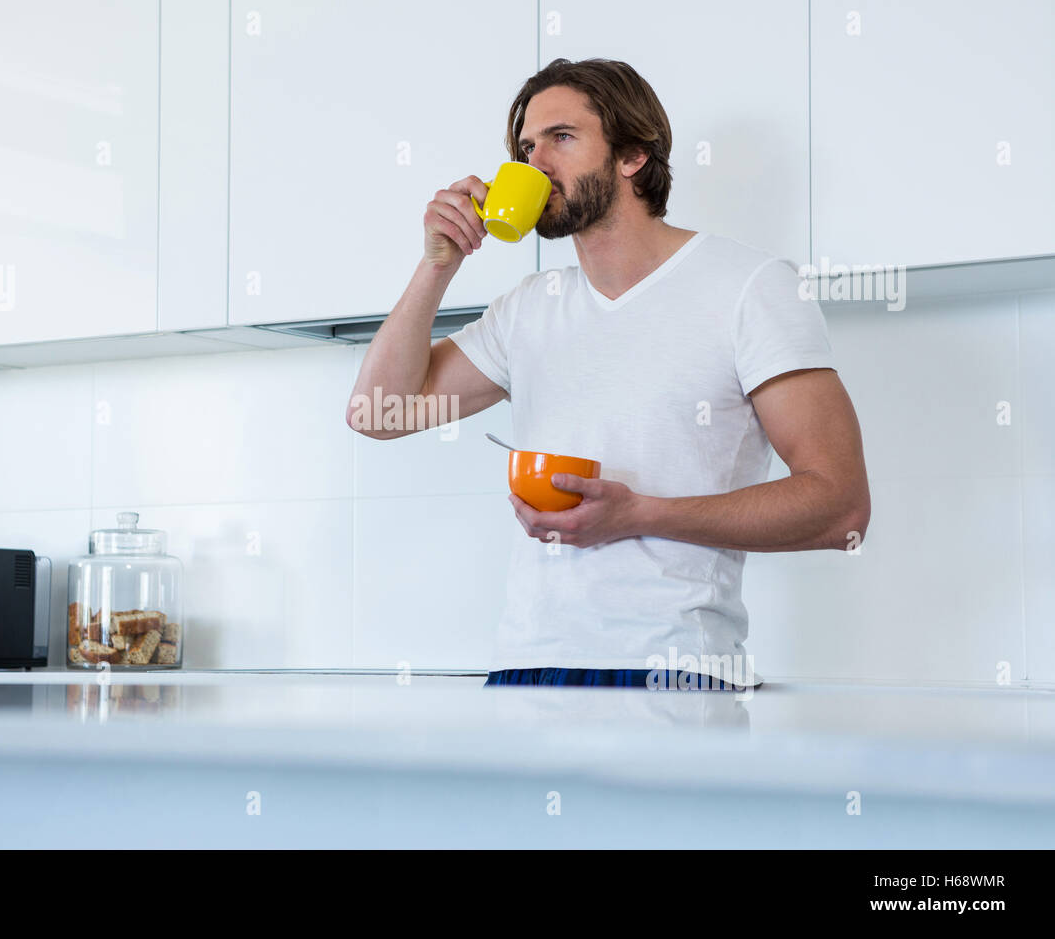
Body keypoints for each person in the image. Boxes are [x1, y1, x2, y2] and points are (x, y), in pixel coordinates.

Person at [346, 58, 870, 691]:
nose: (533, 163)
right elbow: (377, 415)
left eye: (560, 138)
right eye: (526, 146)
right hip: (525, 670)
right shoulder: (529, 308)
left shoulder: (752, 288)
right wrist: (438, 265)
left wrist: (640, 513)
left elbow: (840, 508)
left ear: (632, 156)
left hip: (676, 672)